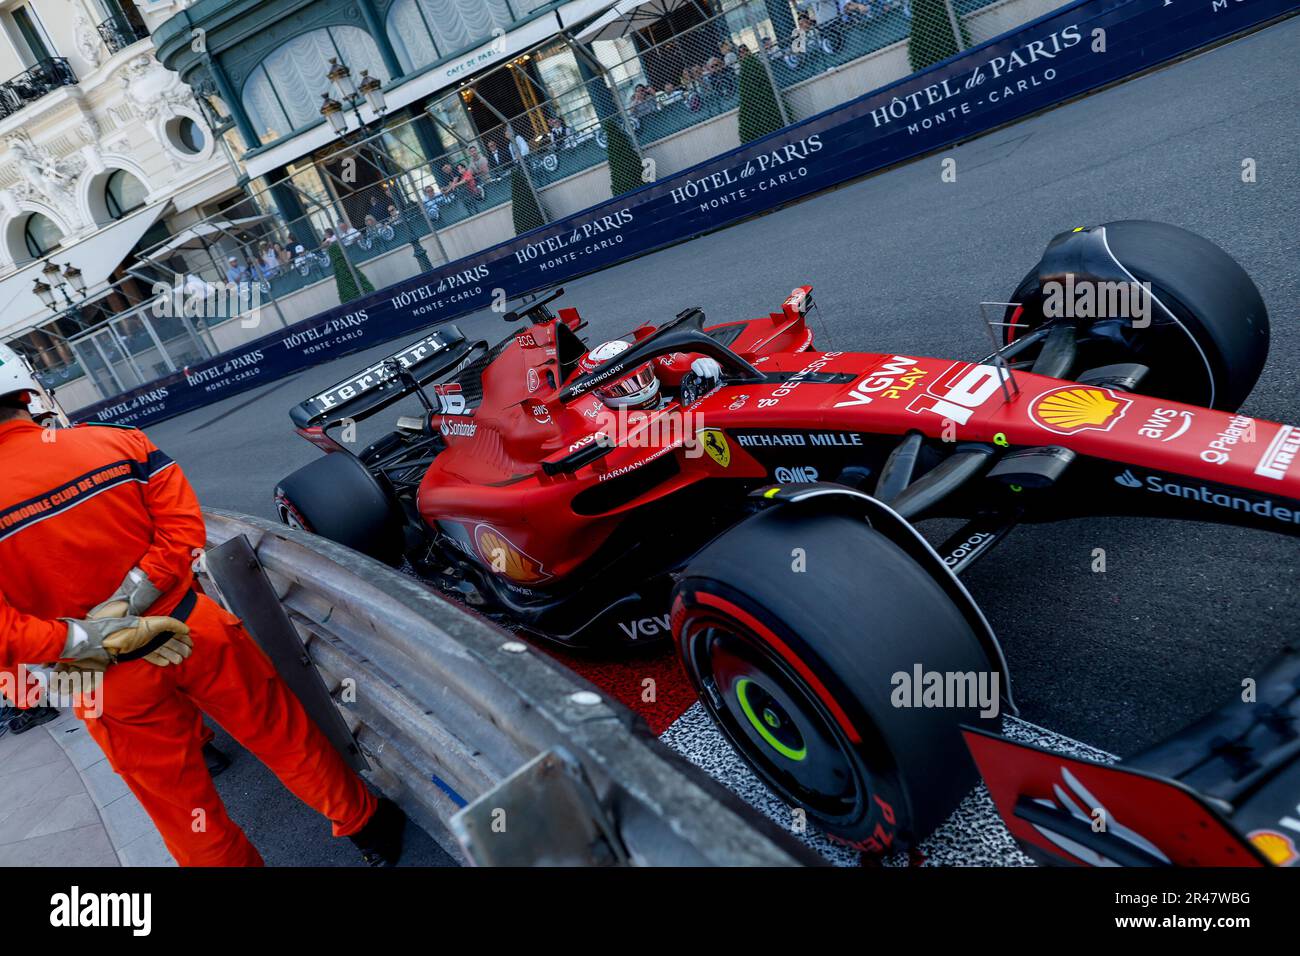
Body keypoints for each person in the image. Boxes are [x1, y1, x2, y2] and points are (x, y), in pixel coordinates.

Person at [0, 344, 406, 867]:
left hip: (97, 676)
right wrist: (133, 606)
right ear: (26, 395)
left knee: (182, 808)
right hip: (188, 626)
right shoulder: (114, 443)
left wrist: (92, 638)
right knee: (282, 736)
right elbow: (182, 528)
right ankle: (366, 826)